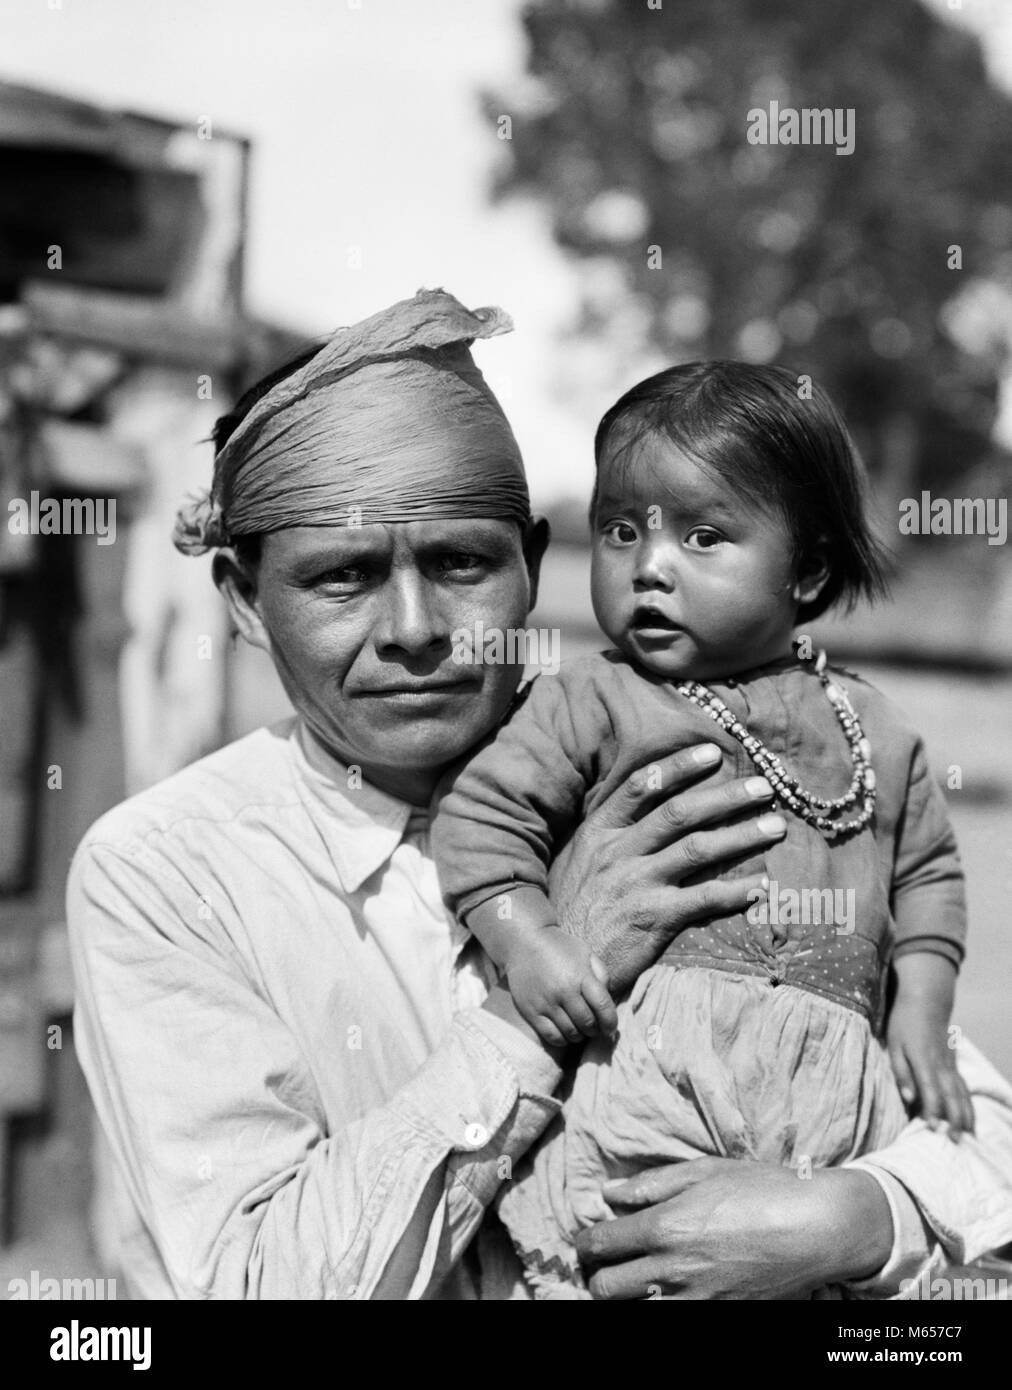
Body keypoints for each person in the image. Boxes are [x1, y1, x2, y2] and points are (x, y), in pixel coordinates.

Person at [67, 291, 1012, 1300]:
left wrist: (851, 1217)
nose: (416, 627)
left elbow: (980, 1136)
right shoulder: (166, 874)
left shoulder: (688, 764)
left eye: (460, 561)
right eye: (343, 577)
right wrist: (533, 1007)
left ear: (531, 562)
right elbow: (252, 1284)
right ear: (246, 603)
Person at [431, 362, 980, 1296]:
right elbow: (484, 819)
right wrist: (531, 942)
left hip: (832, 1120)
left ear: (805, 569)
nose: (649, 565)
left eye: (703, 536)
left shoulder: (875, 728)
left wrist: (921, 1007)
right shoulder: (594, 700)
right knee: (622, 1261)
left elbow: (927, 876)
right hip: (644, 1091)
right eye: (620, 530)